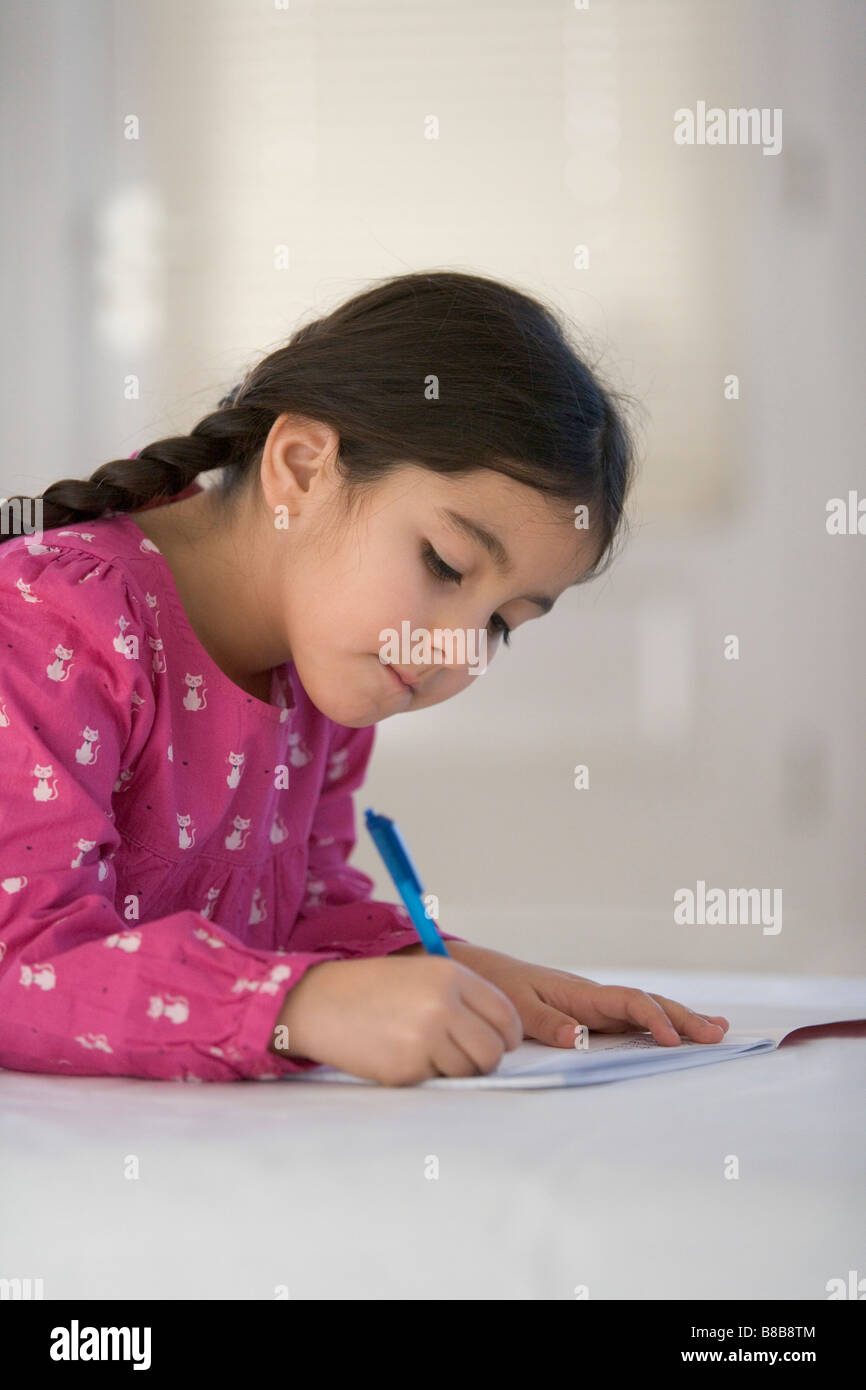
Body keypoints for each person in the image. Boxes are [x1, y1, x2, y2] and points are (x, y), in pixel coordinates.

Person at [0, 270, 728, 1086]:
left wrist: (468, 974)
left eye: (500, 625)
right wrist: (294, 1009)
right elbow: (17, 958)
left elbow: (291, 911)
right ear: (304, 467)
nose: (455, 650)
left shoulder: (327, 663)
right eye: (445, 565)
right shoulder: (50, 621)